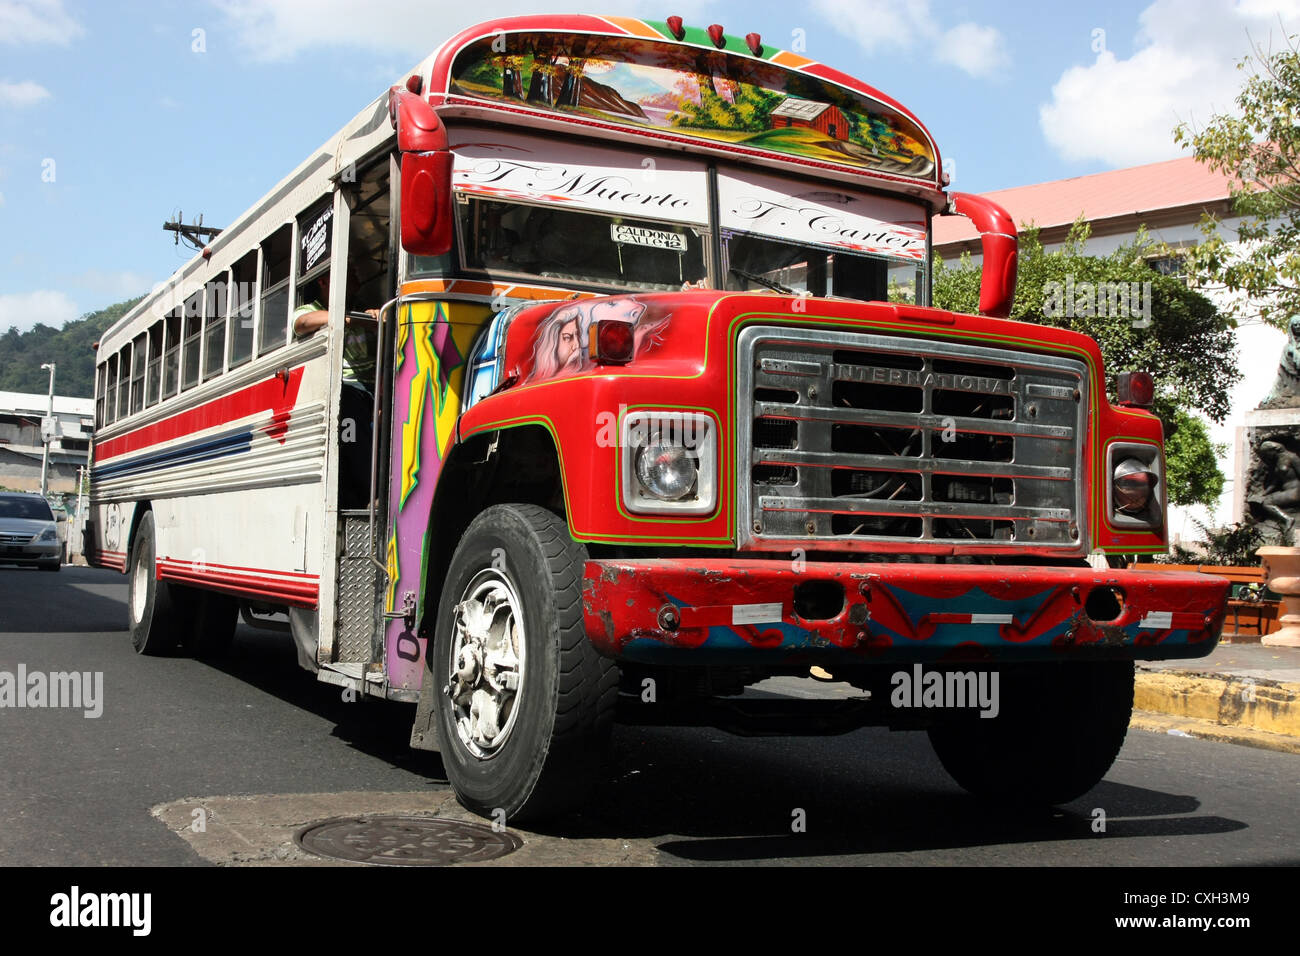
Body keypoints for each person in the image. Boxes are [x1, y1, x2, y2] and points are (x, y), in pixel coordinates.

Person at [294, 271, 379, 509]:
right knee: (352, 420)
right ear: (323, 281)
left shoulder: (362, 309)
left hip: (372, 387)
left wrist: (372, 318)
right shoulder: (310, 309)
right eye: (350, 274)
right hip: (347, 388)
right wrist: (348, 318)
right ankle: (367, 495)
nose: (358, 280)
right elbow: (301, 324)